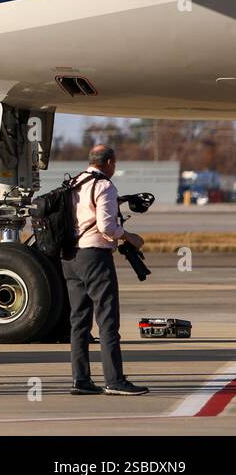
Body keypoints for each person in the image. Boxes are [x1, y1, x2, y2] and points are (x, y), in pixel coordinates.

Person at [64, 145, 149, 396]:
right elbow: (106, 226)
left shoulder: (74, 183)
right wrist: (130, 237)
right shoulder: (104, 186)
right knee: (107, 319)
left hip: (70, 257)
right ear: (109, 162)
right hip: (95, 257)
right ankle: (114, 380)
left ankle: (81, 380)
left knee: (79, 321)